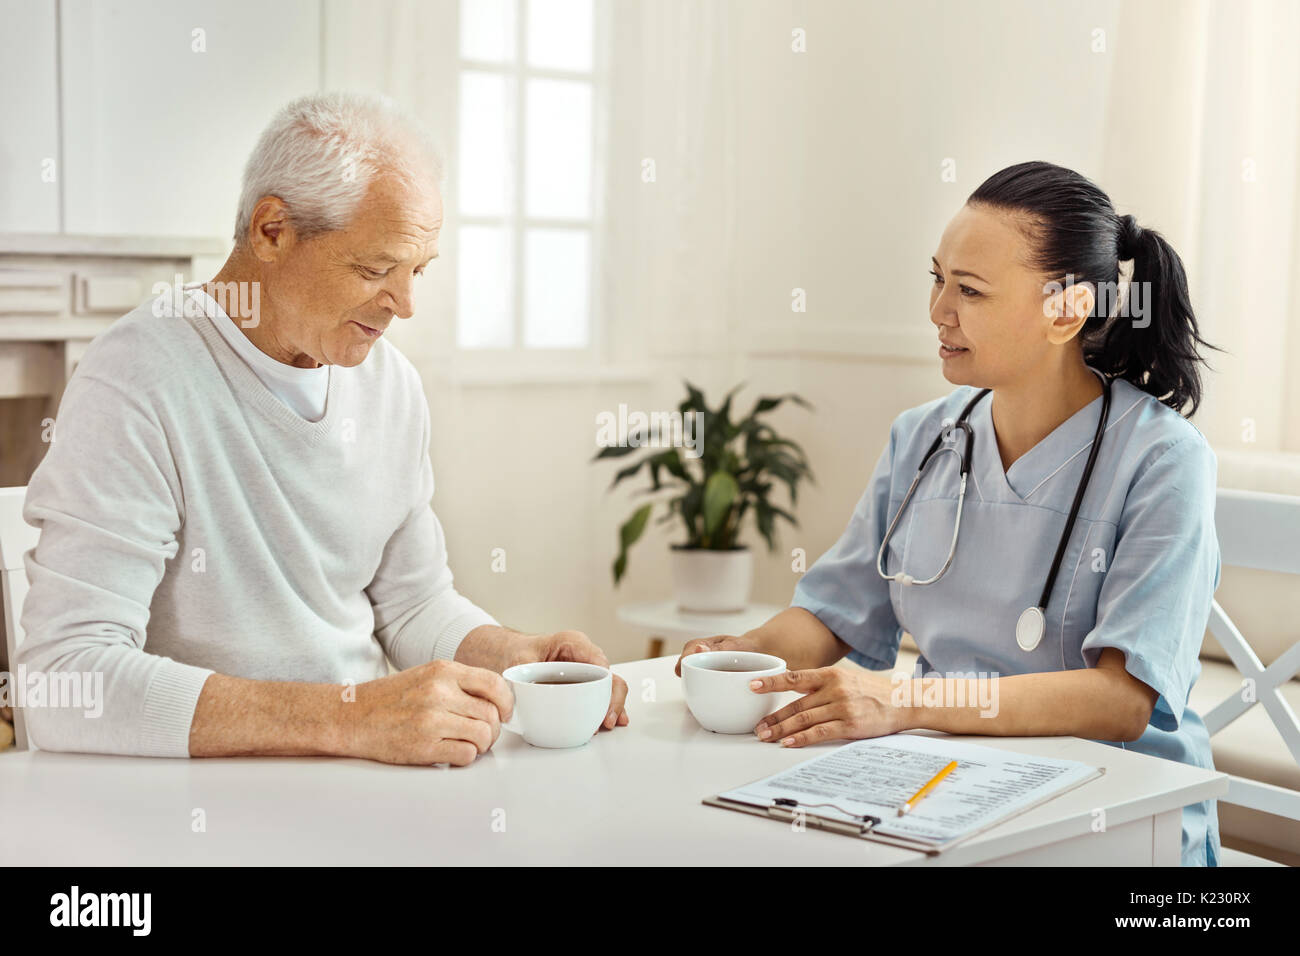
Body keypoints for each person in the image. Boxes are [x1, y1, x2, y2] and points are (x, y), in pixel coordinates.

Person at [18, 92, 627, 766]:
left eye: (417, 272)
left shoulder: (391, 385)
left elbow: (412, 603)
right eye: (375, 269)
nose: (405, 304)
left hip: (361, 777)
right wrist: (348, 717)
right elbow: (64, 681)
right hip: (202, 798)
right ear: (271, 231)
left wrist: (512, 653)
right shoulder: (136, 378)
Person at [677, 160, 1222, 865]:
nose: (939, 310)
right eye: (937, 279)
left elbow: (1122, 701)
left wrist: (903, 703)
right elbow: (834, 614)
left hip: (1116, 810)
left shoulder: (1163, 459)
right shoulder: (923, 437)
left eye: (970, 290)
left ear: (1066, 311)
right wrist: (741, 657)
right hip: (947, 781)